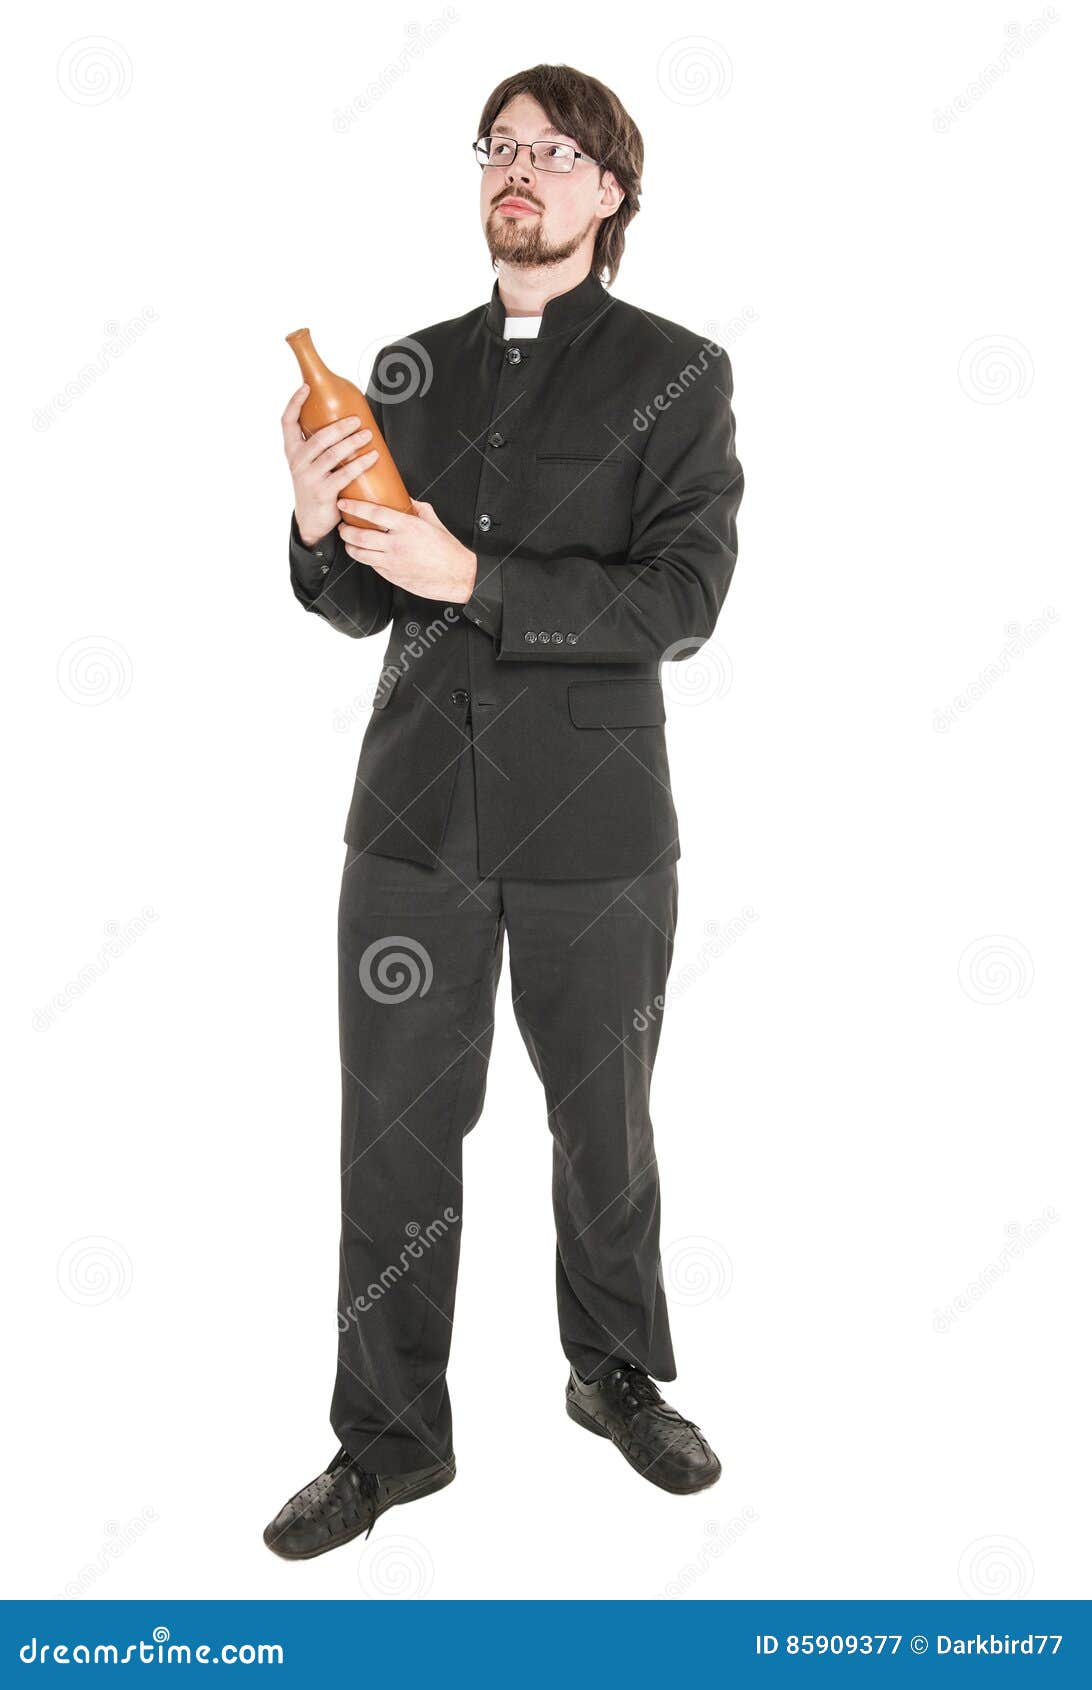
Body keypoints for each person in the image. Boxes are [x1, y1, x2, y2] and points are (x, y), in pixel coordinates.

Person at [264, 61, 744, 1560]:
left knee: (603, 1123)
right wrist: (306, 519)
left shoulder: (682, 369)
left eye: (553, 151)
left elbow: (685, 594)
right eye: (499, 148)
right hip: (411, 821)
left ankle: (613, 1373)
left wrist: (476, 579)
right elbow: (355, 592)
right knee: (390, 1141)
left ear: (611, 192)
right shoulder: (405, 369)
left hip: (595, 827)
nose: (516, 171)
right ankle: (387, 1437)